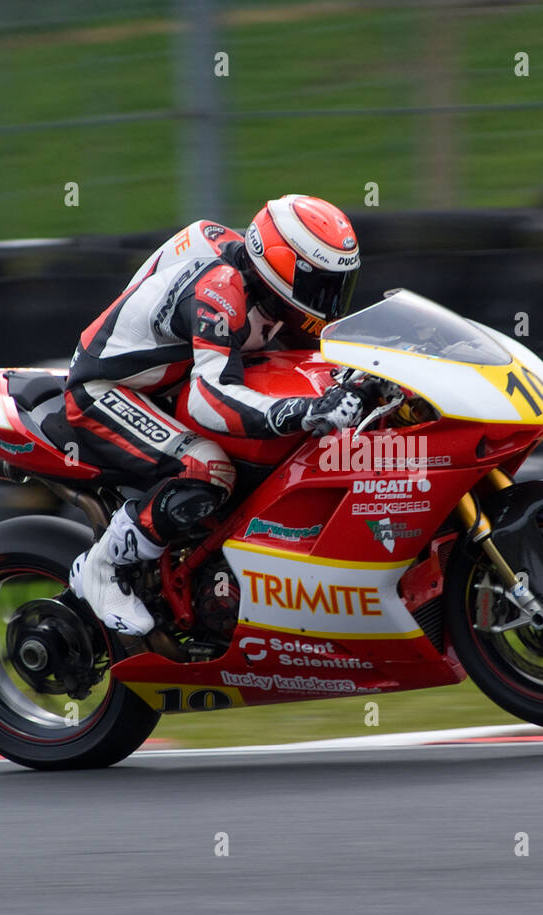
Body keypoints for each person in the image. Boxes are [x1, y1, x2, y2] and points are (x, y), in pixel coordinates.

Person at [66, 194, 365, 635]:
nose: (330, 298)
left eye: (340, 284)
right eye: (319, 283)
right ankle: (103, 565)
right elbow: (211, 397)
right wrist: (300, 411)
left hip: (167, 384)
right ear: (280, 266)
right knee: (207, 468)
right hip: (105, 389)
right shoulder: (220, 288)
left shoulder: (269, 294)